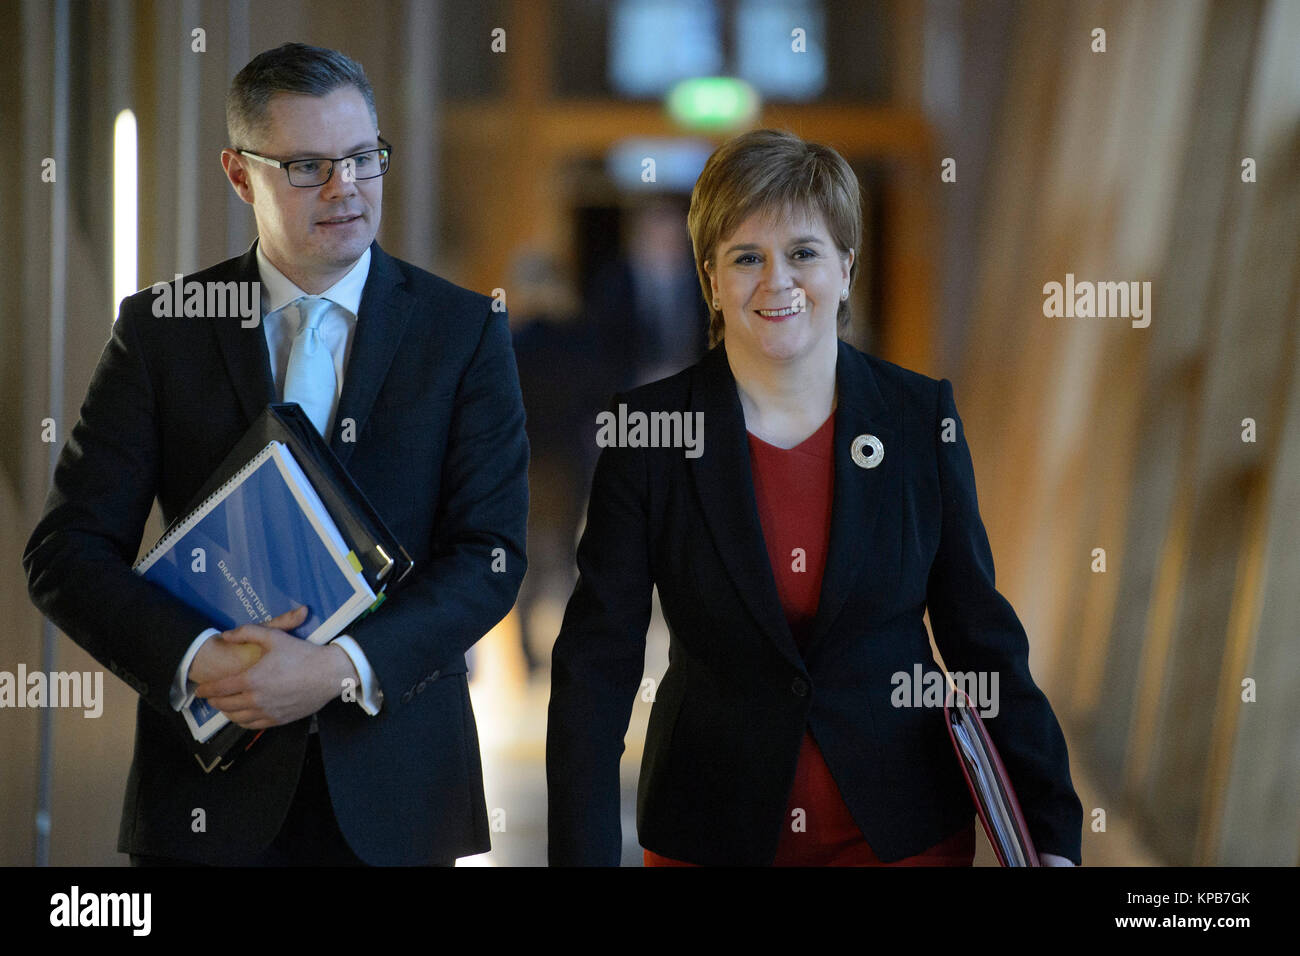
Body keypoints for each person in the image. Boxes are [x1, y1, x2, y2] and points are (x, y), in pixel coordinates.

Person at [22, 42, 528, 866]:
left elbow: (490, 556)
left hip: (400, 795)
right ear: (238, 174)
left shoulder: (463, 332)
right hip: (207, 799)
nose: (346, 187)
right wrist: (200, 660)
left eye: (363, 157)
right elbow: (65, 552)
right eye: (307, 167)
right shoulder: (163, 330)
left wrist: (338, 669)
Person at [546, 129, 1082, 866]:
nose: (778, 282)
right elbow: (598, 662)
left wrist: (1051, 838)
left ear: (846, 268)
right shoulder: (647, 433)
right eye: (747, 258)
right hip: (711, 833)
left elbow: (979, 636)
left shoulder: (918, 419)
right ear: (710, 280)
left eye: (803, 252)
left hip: (903, 835)